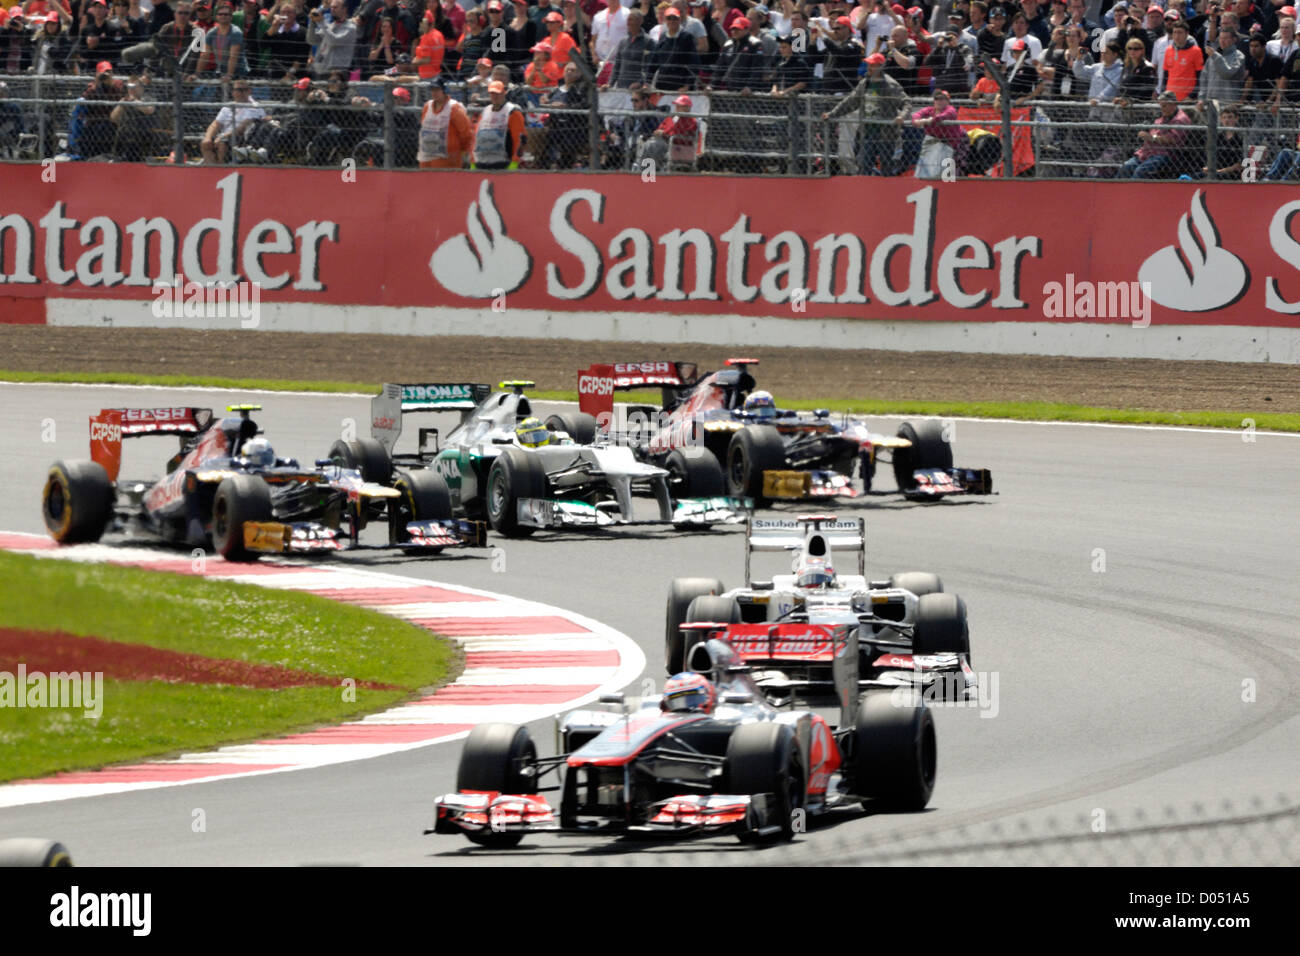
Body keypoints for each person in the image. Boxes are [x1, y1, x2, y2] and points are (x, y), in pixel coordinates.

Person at [824, 51, 908, 174]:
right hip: (867, 131)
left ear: (880, 66)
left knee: (886, 165)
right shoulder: (865, 83)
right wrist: (831, 114)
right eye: (868, 64)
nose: (869, 68)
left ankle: (886, 189)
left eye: (872, 65)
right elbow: (850, 102)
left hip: (885, 132)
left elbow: (906, 102)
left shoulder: (890, 85)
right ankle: (864, 190)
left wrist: (902, 116)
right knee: (863, 164)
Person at [1118, 88, 1190, 175]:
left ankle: (1135, 188)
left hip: (1165, 154)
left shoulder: (1180, 119)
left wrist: (1152, 138)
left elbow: (1173, 139)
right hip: (1147, 152)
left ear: (1173, 104)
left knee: (1140, 171)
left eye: (1164, 106)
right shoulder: (1163, 114)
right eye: (1161, 106)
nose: (1162, 109)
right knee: (1125, 167)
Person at [901, 87, 965, 176]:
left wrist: (927, 121)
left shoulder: (951, 110)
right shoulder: (930, 110)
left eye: (942, 99)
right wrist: (917, 121)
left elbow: (942, 117)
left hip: (953, 143)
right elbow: (916, 115)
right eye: (936, 98)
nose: (939, 101)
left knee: (949, 174)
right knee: (928, 169)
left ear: (947, 101)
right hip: (935, 142)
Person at [200, 76, 263, 162]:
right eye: (239, 90)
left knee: (222, 143)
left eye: (245, 90)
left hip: (242, 137)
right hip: (224, 136)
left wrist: (223, 136)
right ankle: (212, 169)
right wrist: (208, 137)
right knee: (205, 143)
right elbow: (215, 124)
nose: (242, 92)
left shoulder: (255, 107)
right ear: (233, 92)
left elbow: (243, 127)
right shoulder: (228, 107)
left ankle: (221, 169)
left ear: (249, 91)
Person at [417, 74, 470, 167]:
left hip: (448, 158)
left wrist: (464, 150)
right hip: (426, 157)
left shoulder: (454, 107)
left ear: (444, 90)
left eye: (437, 90)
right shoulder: (427, 106)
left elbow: (465, 131)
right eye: (432, 90)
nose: (434, 93)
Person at [473, 78, 525, 168]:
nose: (495, 96)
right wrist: (473, 162)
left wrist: (514, 162)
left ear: (504, 93)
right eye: (492, 93)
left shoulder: (512, 112)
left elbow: (520, 140)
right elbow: (475, 137)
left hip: (503, 163)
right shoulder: (485, 111)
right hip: (481, 162)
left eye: (497, 93)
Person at [306, 0, 356, 78]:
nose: (332, 9)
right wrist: (312, 22)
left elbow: (333, 41)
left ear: (344, 9)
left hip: (338, 73)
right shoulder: (329, 26)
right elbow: (312, 40)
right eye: (331, 7)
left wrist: (322, 22)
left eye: (335, 7)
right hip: (320, 70)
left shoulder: (350, 28)